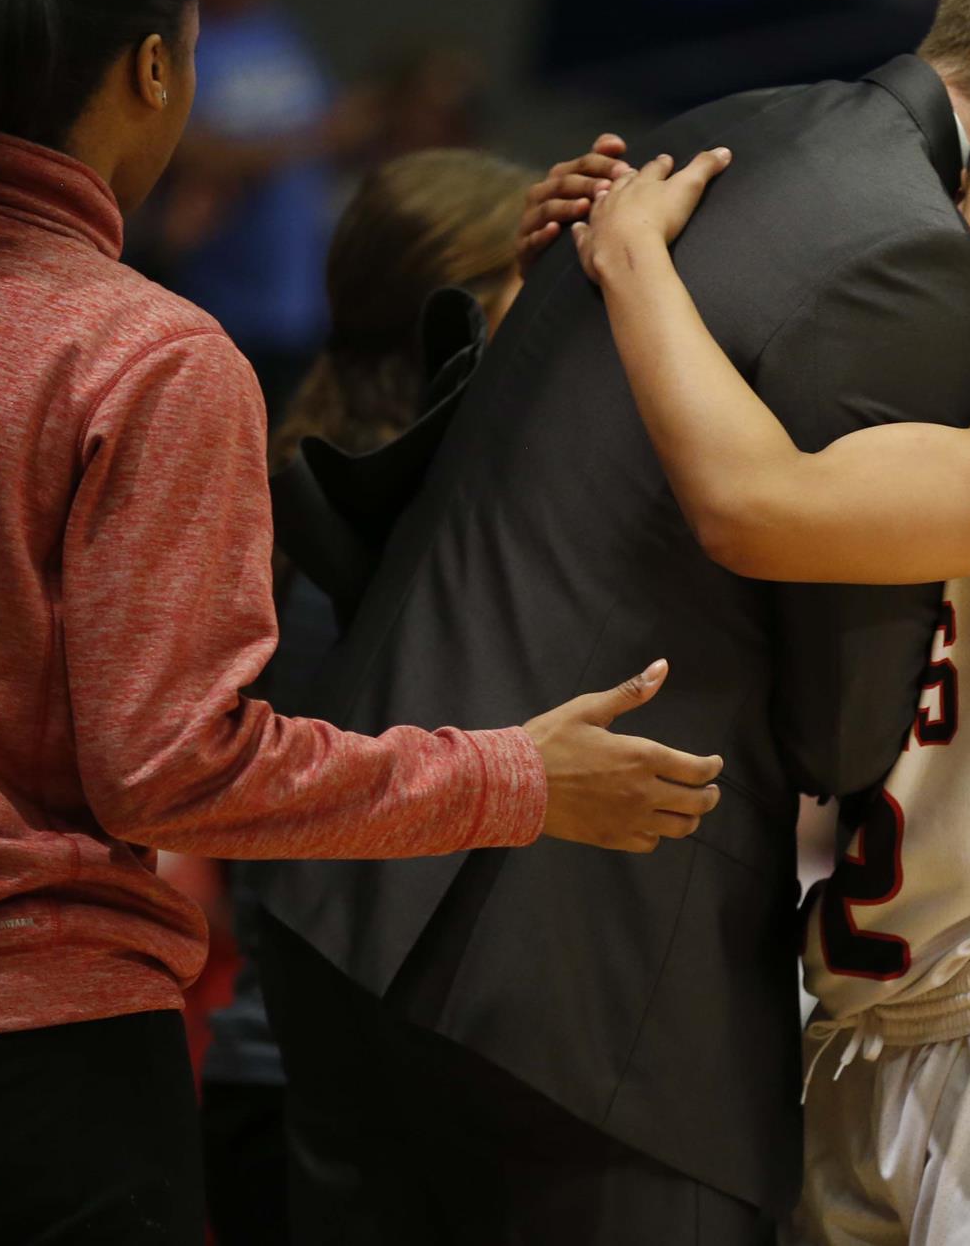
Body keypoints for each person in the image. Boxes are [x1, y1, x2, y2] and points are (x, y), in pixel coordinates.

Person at [250, 0, 970, 1244]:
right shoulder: (917, 298)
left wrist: (632, 266)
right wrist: (554, 280)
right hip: (852, 1017)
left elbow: (761, 509)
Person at [0, 0, 719, 1245]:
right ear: (157, 69)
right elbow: (173, 769)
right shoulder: (150, 358)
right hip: (25, 1068)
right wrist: (521, 777)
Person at [577, 59, 970, 1243]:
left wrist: (630, 259)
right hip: (870, 1039)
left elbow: (749, 505)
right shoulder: (922, 402)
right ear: (953, 198)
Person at [201, 146, 548, 1244]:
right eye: (533, 287)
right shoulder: (377, 539)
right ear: (465, 310)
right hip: (340, 1103)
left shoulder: (306, 491)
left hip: (293, 1090)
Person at [156, 0, 340, 412]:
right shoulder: (177, 43)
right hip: (217, 305)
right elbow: (185, 151)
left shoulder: (280, 33)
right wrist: (312, 140)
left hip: (300, 308)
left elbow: (331, 135)